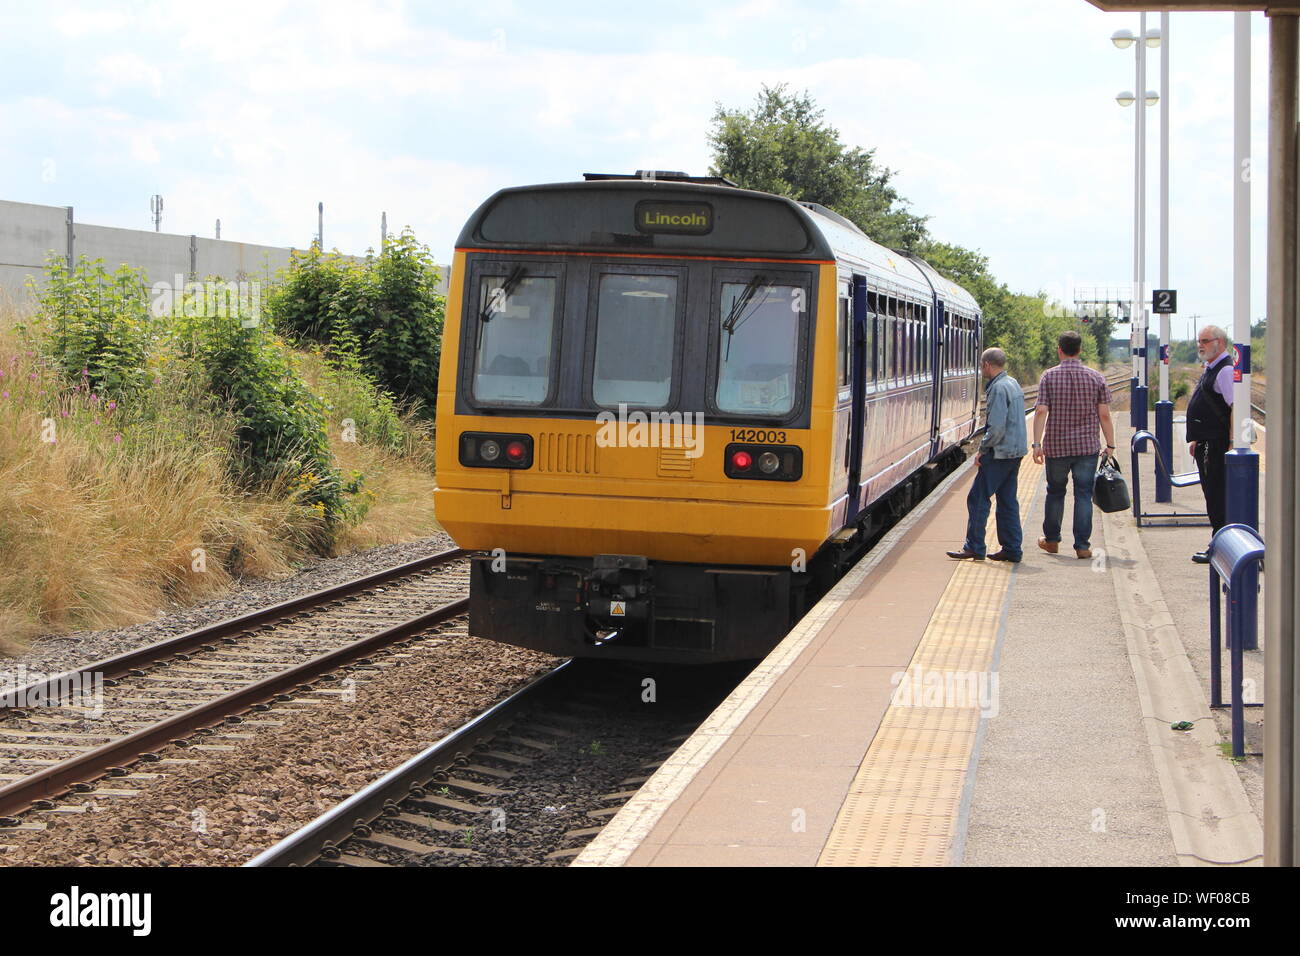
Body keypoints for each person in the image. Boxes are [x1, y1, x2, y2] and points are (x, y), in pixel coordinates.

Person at [1031, 330, 1116, 560]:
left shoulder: (1049, 377)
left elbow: (1041, 411)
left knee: (1055, 492)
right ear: (1080, 350)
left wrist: (1036, 444)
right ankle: (1082, 546)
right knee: (1083, 495)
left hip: (1057, 446)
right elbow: (1105, 415)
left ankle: (1051, 541)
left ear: (1060, 350)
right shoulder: (1096, 377)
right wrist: (1110, 445)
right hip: (1086, 448)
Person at [947, 347, 1028, 562]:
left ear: (986, 365)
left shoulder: (998, 388)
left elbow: (997, 427)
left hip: (999, 453)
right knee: (1008, 500)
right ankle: (1012, 548)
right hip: (1015, 452)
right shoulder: (1013, 383)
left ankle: (974, 546)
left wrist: (982, 450)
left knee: (978, 498)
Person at [1187, 325, 1234, 564]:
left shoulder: (1224, 371)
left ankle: (1220, 545)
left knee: (1217, 495)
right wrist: (1196, 437)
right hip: (1207, 443)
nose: (1200, 345)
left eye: (1205, 340)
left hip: (1217, 445)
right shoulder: (1212, 368)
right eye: (1199, 341)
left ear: (1220, 342)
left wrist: (1233, 443)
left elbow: (1234, 407)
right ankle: (1219, 542)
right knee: (1212, 494)